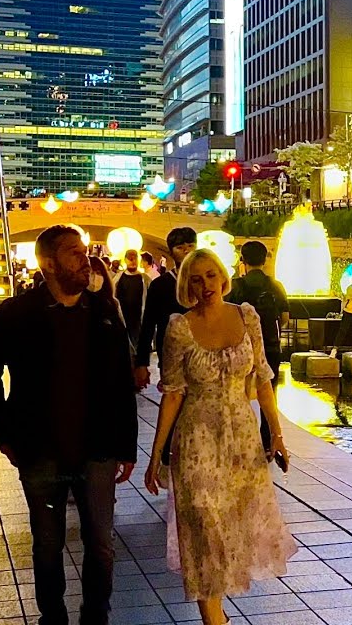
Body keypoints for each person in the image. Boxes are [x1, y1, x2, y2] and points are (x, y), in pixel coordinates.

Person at [0, 224, 138, 625]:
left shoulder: (104, 312)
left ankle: (95, 616)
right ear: (48, 264)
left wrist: (127, 446)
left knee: (101, 544)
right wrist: (4, 433)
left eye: (85, 251)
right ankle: (53, 617)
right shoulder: (17, 313)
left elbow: (121, 381)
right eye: (73, 253)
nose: (85, 259)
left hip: (98, 449)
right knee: (47, 544)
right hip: (40, 449)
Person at [144, 249, 298, 625]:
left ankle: (219, 616)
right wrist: (156, 454)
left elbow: (263, 380)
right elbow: (173, 393)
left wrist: (276, 434)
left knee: (233, 529)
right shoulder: (179, 328)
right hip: (196, 441)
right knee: (203, 529)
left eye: (211, 275)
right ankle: (214, 619)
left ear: (223, 278)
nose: (205, 285)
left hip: (241, 439)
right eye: (196, 279)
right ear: (187, 286)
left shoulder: (246, 316)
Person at [227, 240, 290, 455]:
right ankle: (267, 441)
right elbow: (285, 317)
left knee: (237, 393)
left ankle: (238, 439)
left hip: (239, 348)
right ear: (265, 260)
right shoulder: (275, 286)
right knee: (269, 391)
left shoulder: (235, 286)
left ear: (242, 260)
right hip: (269, 347)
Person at [135, 228, 198, 390]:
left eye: (190, 246)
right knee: (173, 396)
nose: (186, 251)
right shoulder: (160, 285)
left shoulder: (205, 281)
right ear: (171, 252)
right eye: (180, 247)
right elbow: (148, 324)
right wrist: (142, 363)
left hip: (202, 352)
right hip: (171, 353)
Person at [114, 249, 151, 347]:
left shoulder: (145, 279)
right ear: (125, 260)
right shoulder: (118, 279)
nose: (132, 260)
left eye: (135, 258)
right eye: (130, 258)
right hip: (122, 319)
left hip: (139, 320)